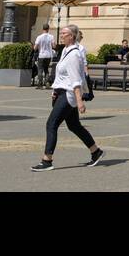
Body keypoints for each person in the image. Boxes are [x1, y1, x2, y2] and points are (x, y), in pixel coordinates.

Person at [31, 24, 104, 171]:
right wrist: (55, 89)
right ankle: (96, 152)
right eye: (62, 33)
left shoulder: (74, 54)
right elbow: (61, 75)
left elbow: (76, 80)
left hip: (69, 95)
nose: (61, 35)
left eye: (64, 33)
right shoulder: (65, 50)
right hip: (62, 92)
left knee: (51, 124)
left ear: (72, 36)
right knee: (74, 126)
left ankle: (47, 160)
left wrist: (79, 101)